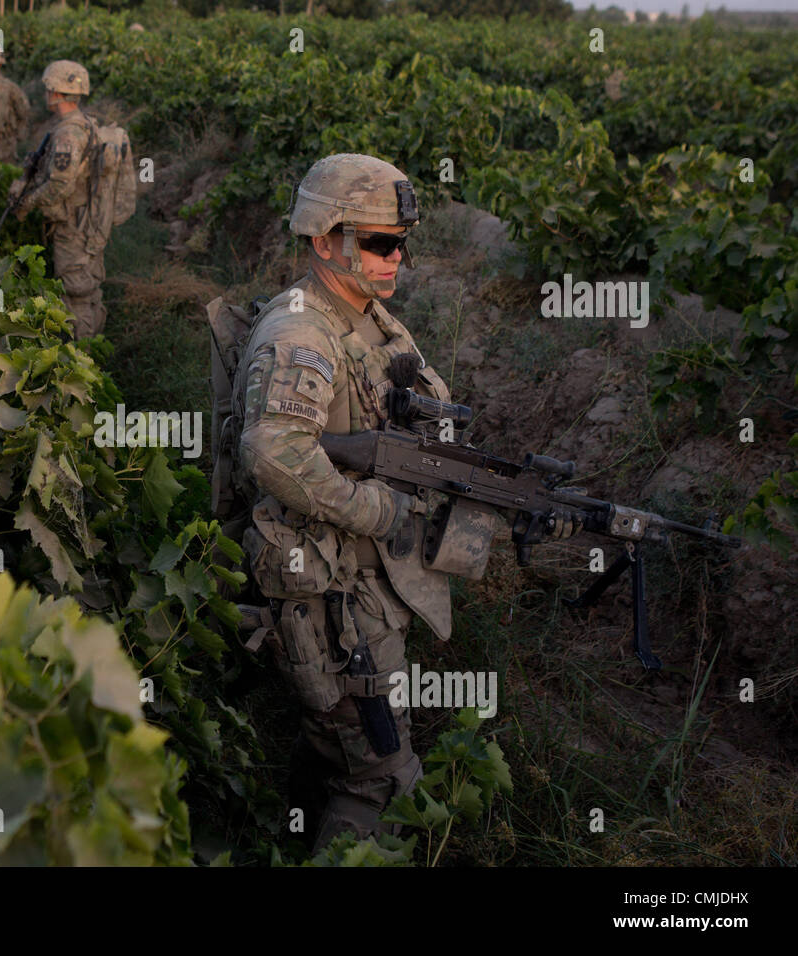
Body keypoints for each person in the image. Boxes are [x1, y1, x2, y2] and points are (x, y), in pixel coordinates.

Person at [231, 154, 574, 852]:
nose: (397, 258)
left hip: (363, 585)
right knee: (383, 785)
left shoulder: (367, 319)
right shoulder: (302, 335)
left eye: (401, 242)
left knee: (357, 754)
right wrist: (380, 513)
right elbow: (275, 454)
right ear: (325, 240)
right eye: (380, 242)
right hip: (329, 593)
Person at [8, 60, 107, 339]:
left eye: (48, 89)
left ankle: (81, 357)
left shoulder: (68, 133)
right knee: (88, 287)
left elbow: (60, 185)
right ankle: (94, 345)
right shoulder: (83, 124)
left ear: (56, 91)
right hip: (86, 217)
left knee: (75, 291)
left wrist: (28, 202)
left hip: (73, 224)